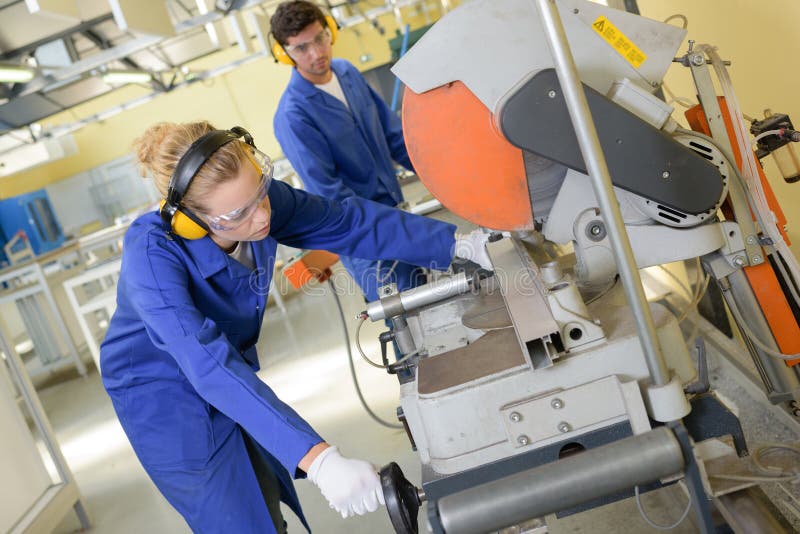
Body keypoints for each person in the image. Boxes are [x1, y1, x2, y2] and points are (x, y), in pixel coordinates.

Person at [98, 121, 486, 533]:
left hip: (223, 364)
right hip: (162, 395)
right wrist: (319, 460)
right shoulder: (152, 256)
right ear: (191, 221)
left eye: (260, 193)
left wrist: (457, 246)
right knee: (237, 520)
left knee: (266, 491)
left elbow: (345, 222)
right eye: (239, 214)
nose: (262, 216)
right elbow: (203, 361)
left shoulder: (253, 203)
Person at [271, 0, 422, 302]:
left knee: (428, 300)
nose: (317, 53)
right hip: (363, 236)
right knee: (404, 319)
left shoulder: (347, 72)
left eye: (319, 38)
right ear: (284, 53)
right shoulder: (294, 115)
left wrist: (442, 177)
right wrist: (388, 225)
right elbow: (330, 193)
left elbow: (394, 136)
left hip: (398, 212)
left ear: (331, 31)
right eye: (301, 48)